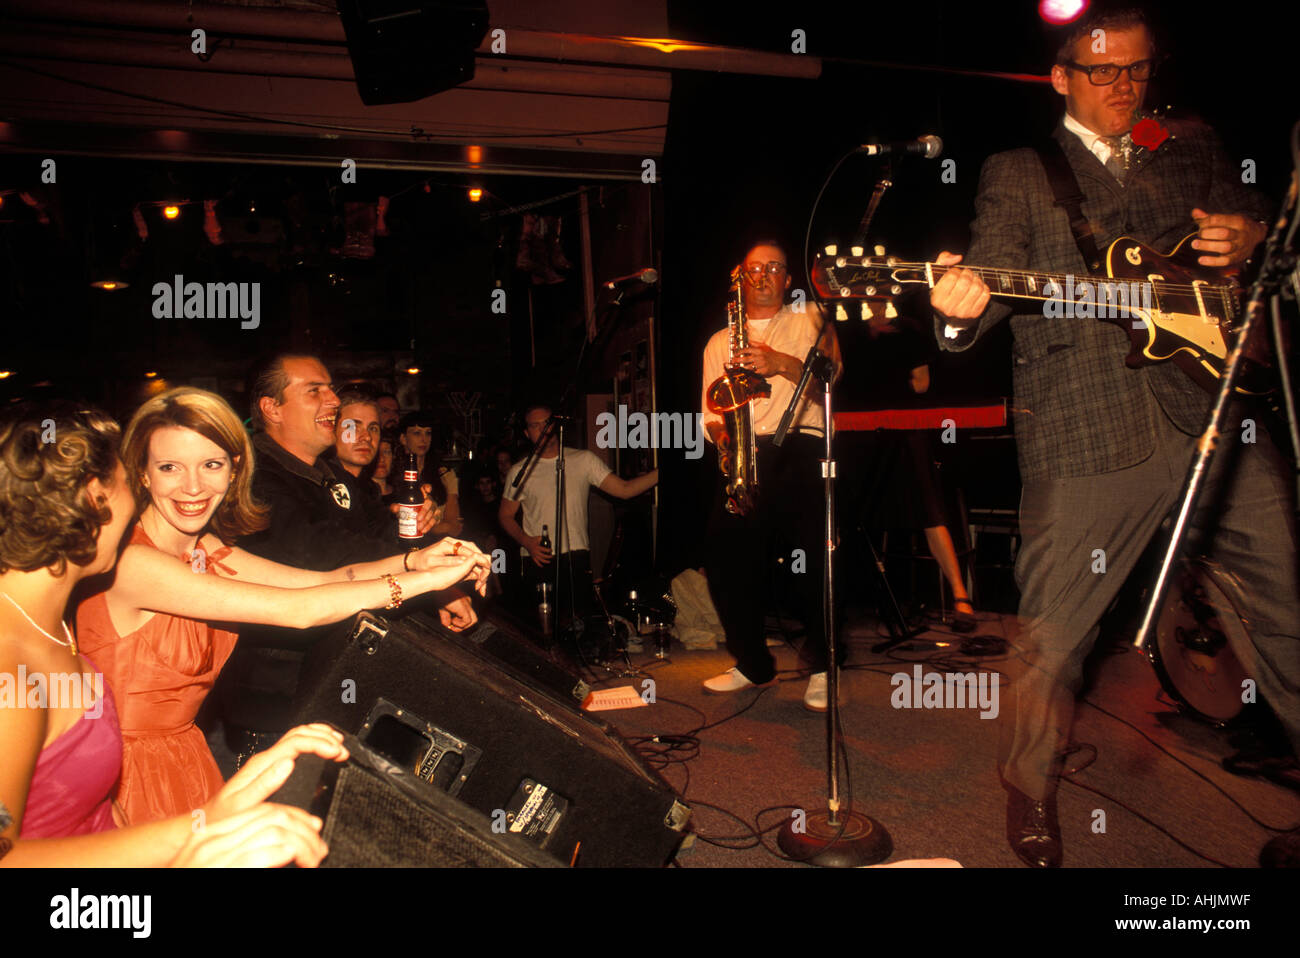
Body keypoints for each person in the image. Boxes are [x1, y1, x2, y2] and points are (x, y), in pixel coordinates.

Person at [928, 6, 1297, 867]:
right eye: (1103, 71)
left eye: (1137, 68)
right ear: (1060, 77)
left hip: (1216, 416)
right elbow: (989, 288)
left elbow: (1272, 243)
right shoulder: (1019, 173)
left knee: (1288, 608)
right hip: (1087, 426)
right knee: (1052, 636)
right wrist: (955, 316)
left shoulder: (1195, 150)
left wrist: (1250, 242)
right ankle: (1027, 790)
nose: (1125, 85)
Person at [74, 387, 488, 823]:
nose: (193, 486)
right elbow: (300, 611)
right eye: (170, 467)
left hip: (185, 756)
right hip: (124, 775)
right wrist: (426, 582)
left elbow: (322, 582)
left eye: (211, 465)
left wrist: (414, 560)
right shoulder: (135, 563)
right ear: (142, 472)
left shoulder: (207, 548)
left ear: (235, 470)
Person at [0, 401, 349, 866]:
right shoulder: (12, 671)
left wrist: (213, 816)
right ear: (94, 496)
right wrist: (203, 824)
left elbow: (93, 811)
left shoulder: (46, 622)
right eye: (132, 481)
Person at [214, 355, 485, 765]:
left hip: (328, 686)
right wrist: (420, 567)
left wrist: (421, 555)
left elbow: (371, 535)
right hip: (279, 705)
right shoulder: (258, 475)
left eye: (331, 389)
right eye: (315, 390)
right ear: (272, 408)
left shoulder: (324, 475)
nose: (332, 400)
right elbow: (322, 556)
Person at [699, 239, 844, 711]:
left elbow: (831, 378)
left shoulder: (812, 319)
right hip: (746, 452)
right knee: (726, 562)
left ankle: (824, 665)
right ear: (740, 279)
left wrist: (778, 362)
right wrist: (727, 442)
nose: (761, 275)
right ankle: (753, 663)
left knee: (812, 563)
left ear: (787, 278)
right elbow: (710, 411)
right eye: (752, 268)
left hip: (802, 445)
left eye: (772, 268)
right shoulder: (720, 341)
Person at [499, 404, 658, 626]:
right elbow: (505, 515)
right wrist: (526, 541)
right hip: (540, 556)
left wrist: (663, 472)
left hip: (576, 555)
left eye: (546, 423)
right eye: (535, 426)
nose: (543, 430)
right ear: (527, 433)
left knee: (578, 623)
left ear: (555, 425)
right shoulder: (520, 471)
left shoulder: (583, 460)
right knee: (544, 625)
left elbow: (624, 490)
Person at [397, 410, 462, 540]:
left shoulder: (445, 474)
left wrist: (424, 527)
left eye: (428, 433)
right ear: (403, 438)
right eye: (417, 433)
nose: (423, 439)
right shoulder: (392, 473)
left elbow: (454, 527)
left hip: (435, 547)